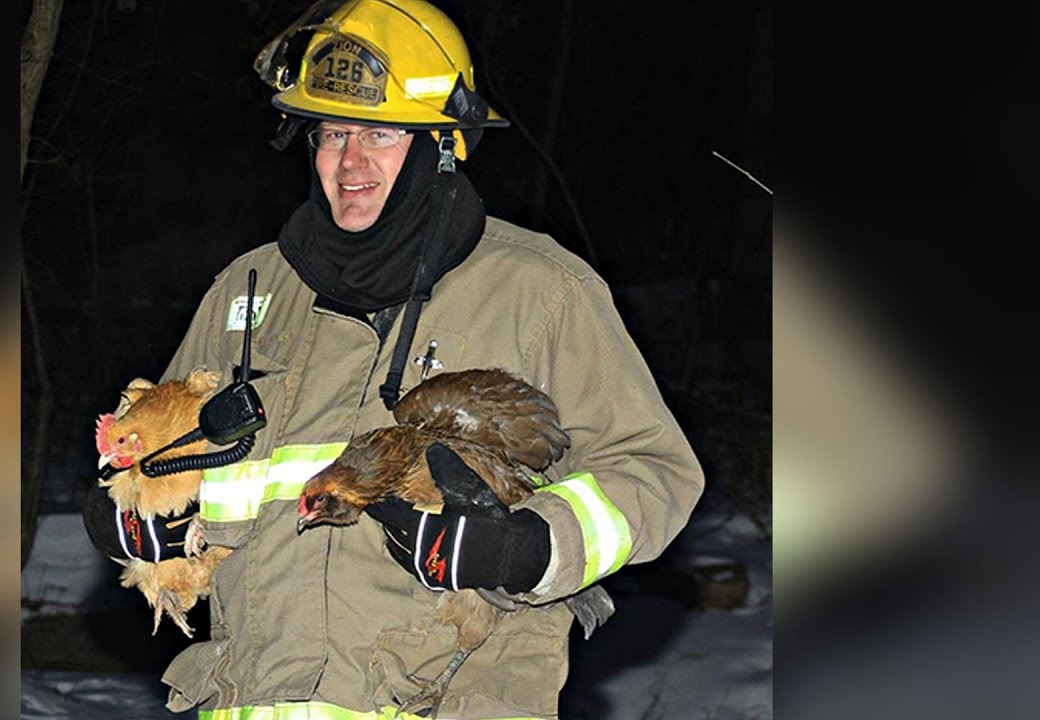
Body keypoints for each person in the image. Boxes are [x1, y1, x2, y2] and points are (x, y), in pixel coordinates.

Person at [89, 1, 704, 717]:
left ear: (444, 145)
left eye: (379, 134)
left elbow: (655, 473)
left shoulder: (541, 292)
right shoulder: (247, 291)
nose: (349, 162)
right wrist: (128, 519)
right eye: (331, 134)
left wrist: (531, 547)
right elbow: (161, 462)